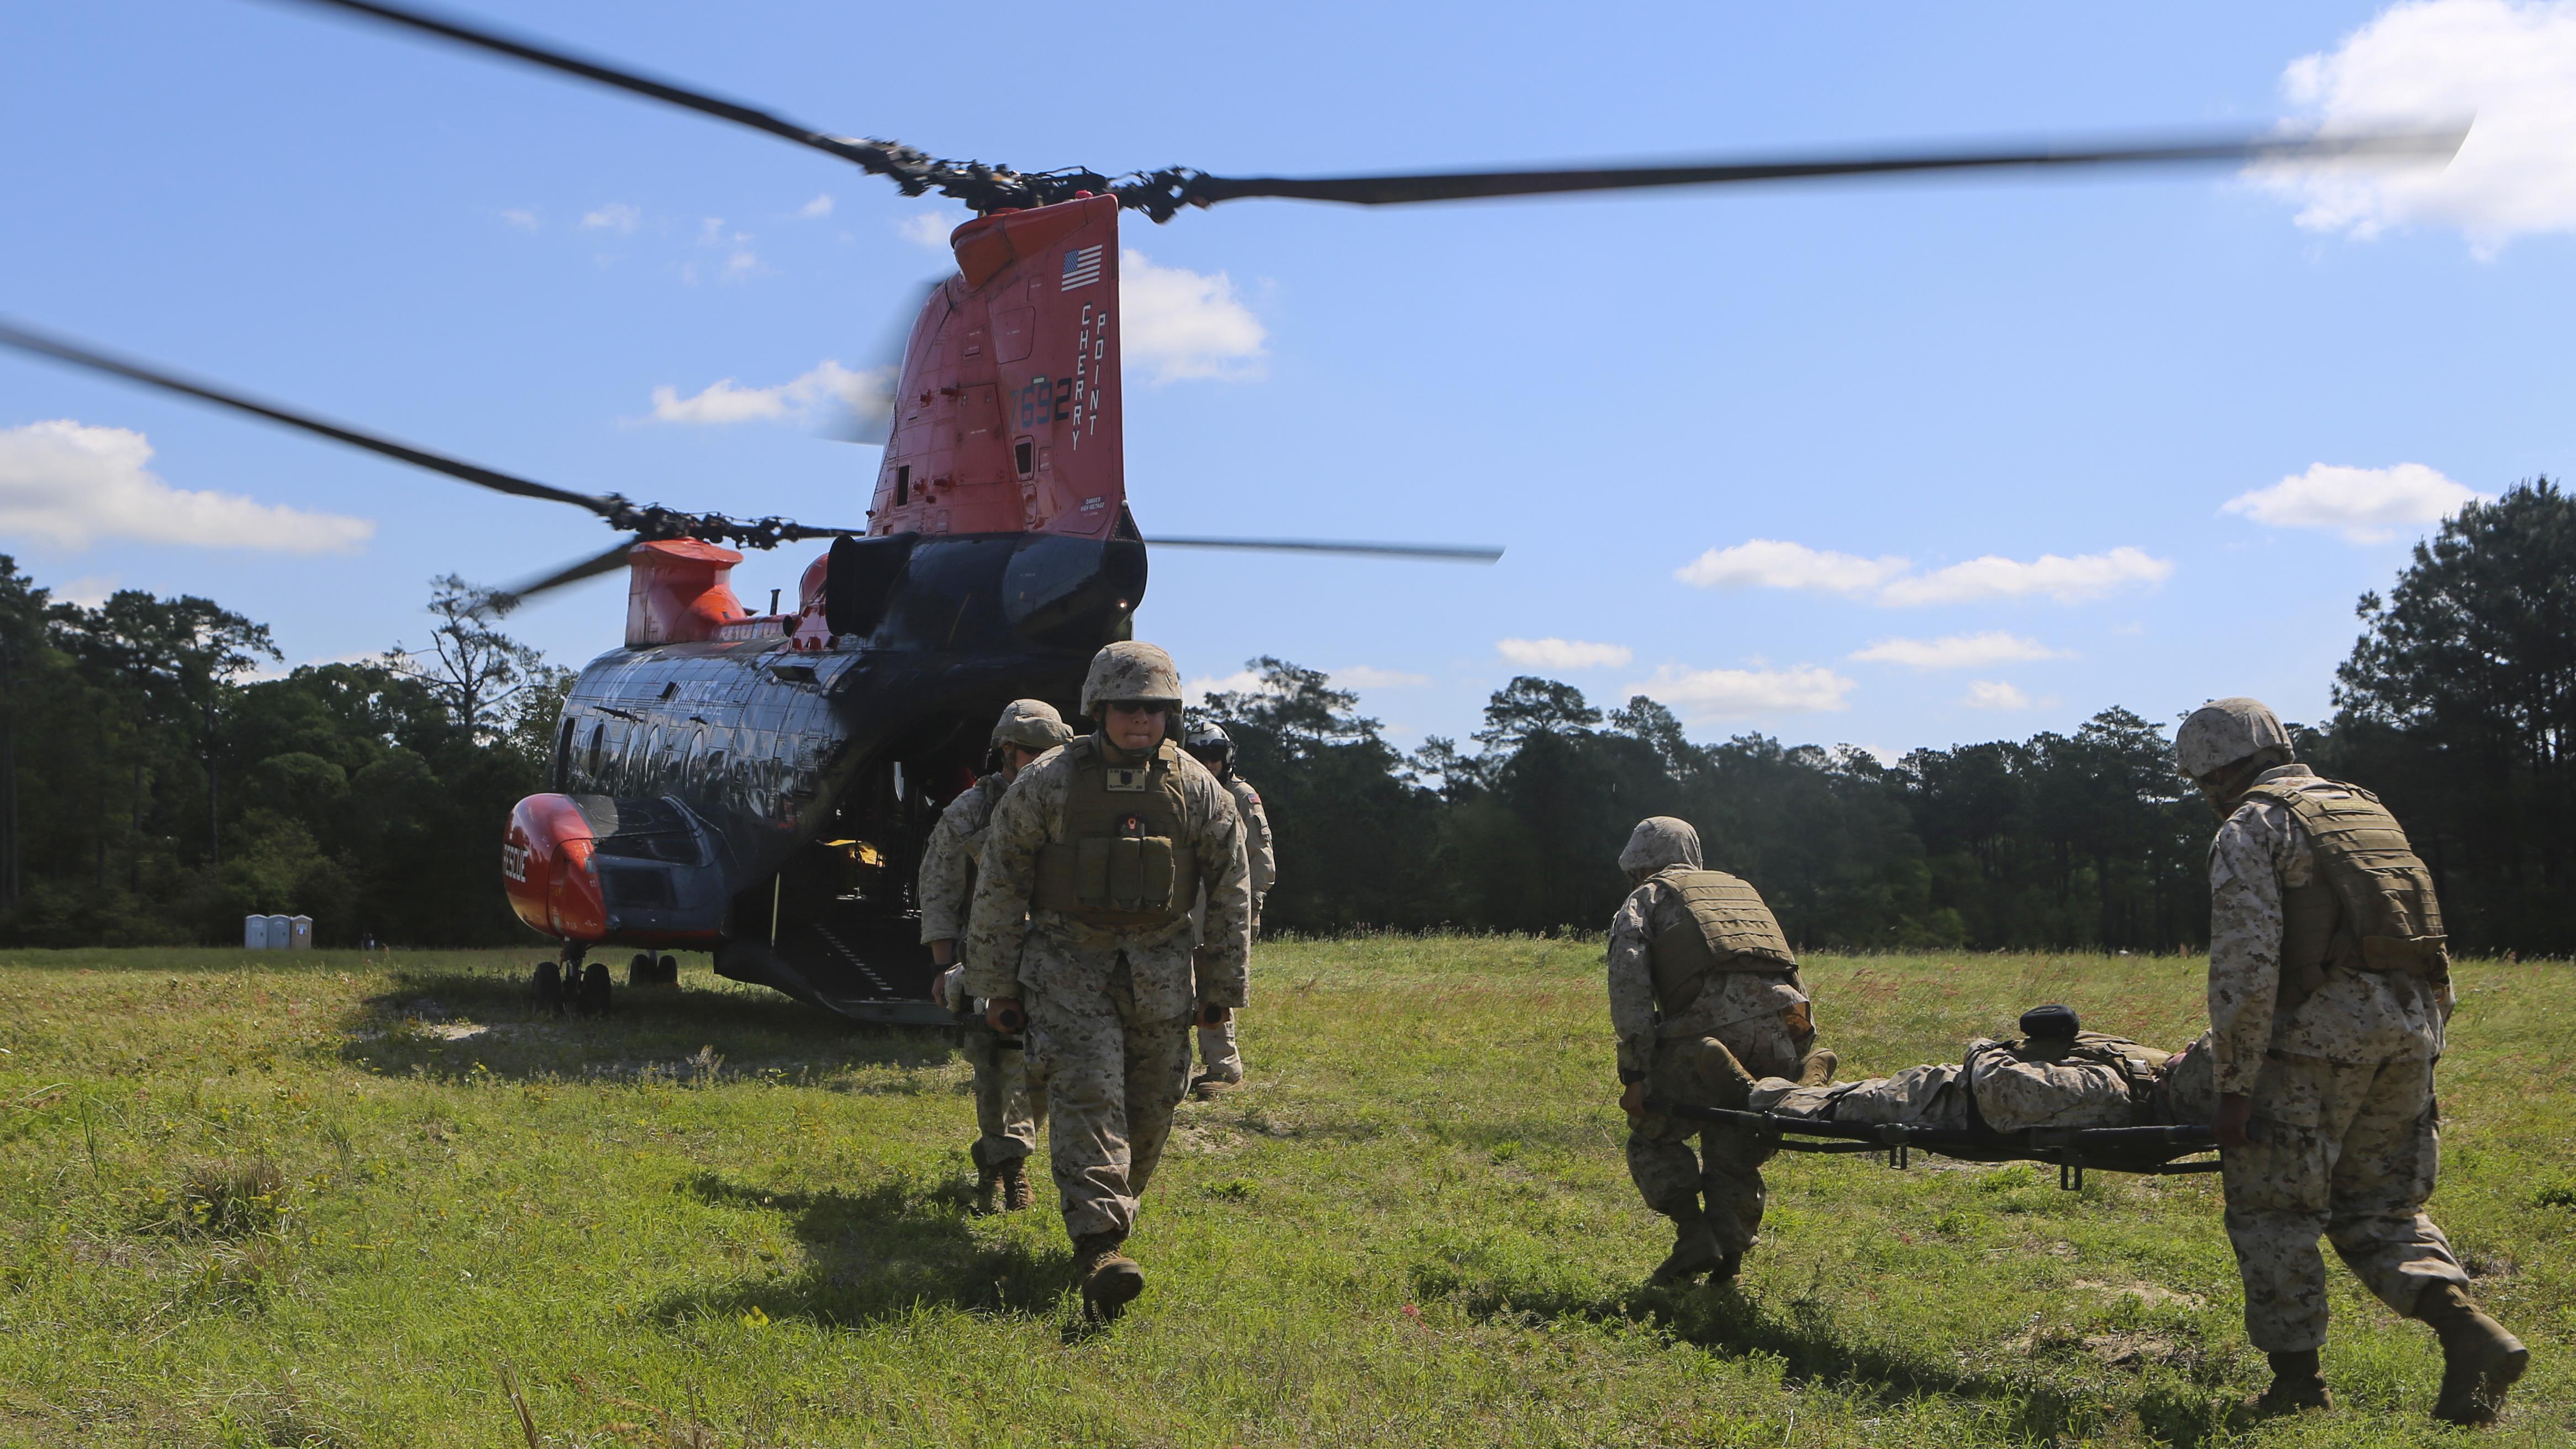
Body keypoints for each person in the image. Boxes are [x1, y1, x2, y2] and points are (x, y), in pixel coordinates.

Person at [2178, 697, 2525, 1425]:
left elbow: (2244, 966)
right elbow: (2422, 927)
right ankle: (2468, 1330)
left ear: (2212, 771)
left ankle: (2296, 1388)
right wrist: (2427, 1040)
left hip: (2306, 1050)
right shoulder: (2362, 809)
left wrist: (2233, 1086)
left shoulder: (2250, 827)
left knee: (2275, 1211)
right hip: (2405, 1036)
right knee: (2381, 1205)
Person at [961, 642, 1253, 1321]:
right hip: (1068, 965)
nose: (1141, 720)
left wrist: (1221, 989)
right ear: (1099, 708)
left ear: (1171, 713)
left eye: (1155, 708)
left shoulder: (1197, 787)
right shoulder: (1050, 781)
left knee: (1152, 1109)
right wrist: (995, 985)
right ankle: (1098, 1245)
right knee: (1089, 1095)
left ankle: (1112, 1216)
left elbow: (1232, 886)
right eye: (1127, 707)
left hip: (1160, 968)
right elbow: (1001, 881)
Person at [1608, 816, 1822, 1287]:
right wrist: (1802, 1049)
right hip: (1777, 1041)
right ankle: (1729, 1264)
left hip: (1702, 1038)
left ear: (1639, 862)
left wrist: (1635, 1074)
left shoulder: (1647, 897)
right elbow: (1789, 973)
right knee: (1735, 1143)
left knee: (1653, 1133)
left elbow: (1629, 987)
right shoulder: (1740, 892)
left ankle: (1693, 1234)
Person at [919, 698, 1074, 1214]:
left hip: (1056, 956)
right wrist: (944, 966)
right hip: (989, 954)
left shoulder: (1073, 804)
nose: (1042, 761)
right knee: (996, 1062)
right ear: (1007, 751)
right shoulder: (970, 810)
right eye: (1033, 751)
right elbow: (939, 888)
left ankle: (1005, 1154)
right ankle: (1008, 1165)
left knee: (1043, 1066)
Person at [1184, 718, 1273, 1094]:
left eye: (1214, 756)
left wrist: (1250, 907)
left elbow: (1261, 857)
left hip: (1225, 908)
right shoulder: (1180, 791)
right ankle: (1174, 1070)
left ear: (1227, 758)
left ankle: (1223, 1068)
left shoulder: (1240, 795)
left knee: (1216, 987)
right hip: (1185, 908)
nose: (1207, 764)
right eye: (1199, 755)